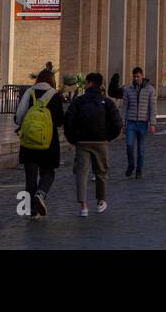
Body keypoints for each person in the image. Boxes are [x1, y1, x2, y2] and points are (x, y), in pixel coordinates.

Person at [62, 72, 122, 217]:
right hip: (101, 141)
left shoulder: (79, 101)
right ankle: (101, 201)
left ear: (89, 83)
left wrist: (73, 139)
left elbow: (68, 120)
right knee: (101, 172)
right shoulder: (107, 102)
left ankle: (84, 206)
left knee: (81, 173)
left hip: (82, 141)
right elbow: (117, 123)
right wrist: (108, 137)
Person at [16, 69, 64, 219]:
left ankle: (31, 211)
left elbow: (19, 117)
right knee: (48, 172)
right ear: (51, 80)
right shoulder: (55, 95)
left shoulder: (29, 92)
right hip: (48, 142)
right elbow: (60, 120)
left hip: (29, 142)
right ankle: (41, 193)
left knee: (30, 176)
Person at [121, 66, 157, 179]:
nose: (136, 78)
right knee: (129, 145)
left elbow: (152, 107)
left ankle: (139, 170)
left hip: (142, 122)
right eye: (134, 76)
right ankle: (131, 165)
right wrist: (123, 123)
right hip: (131, 122)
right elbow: (124, 107)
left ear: (142, 75)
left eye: (138, 76)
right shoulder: (128, 90)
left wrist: (153, 123)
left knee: (141, 149)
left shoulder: (150, 90)